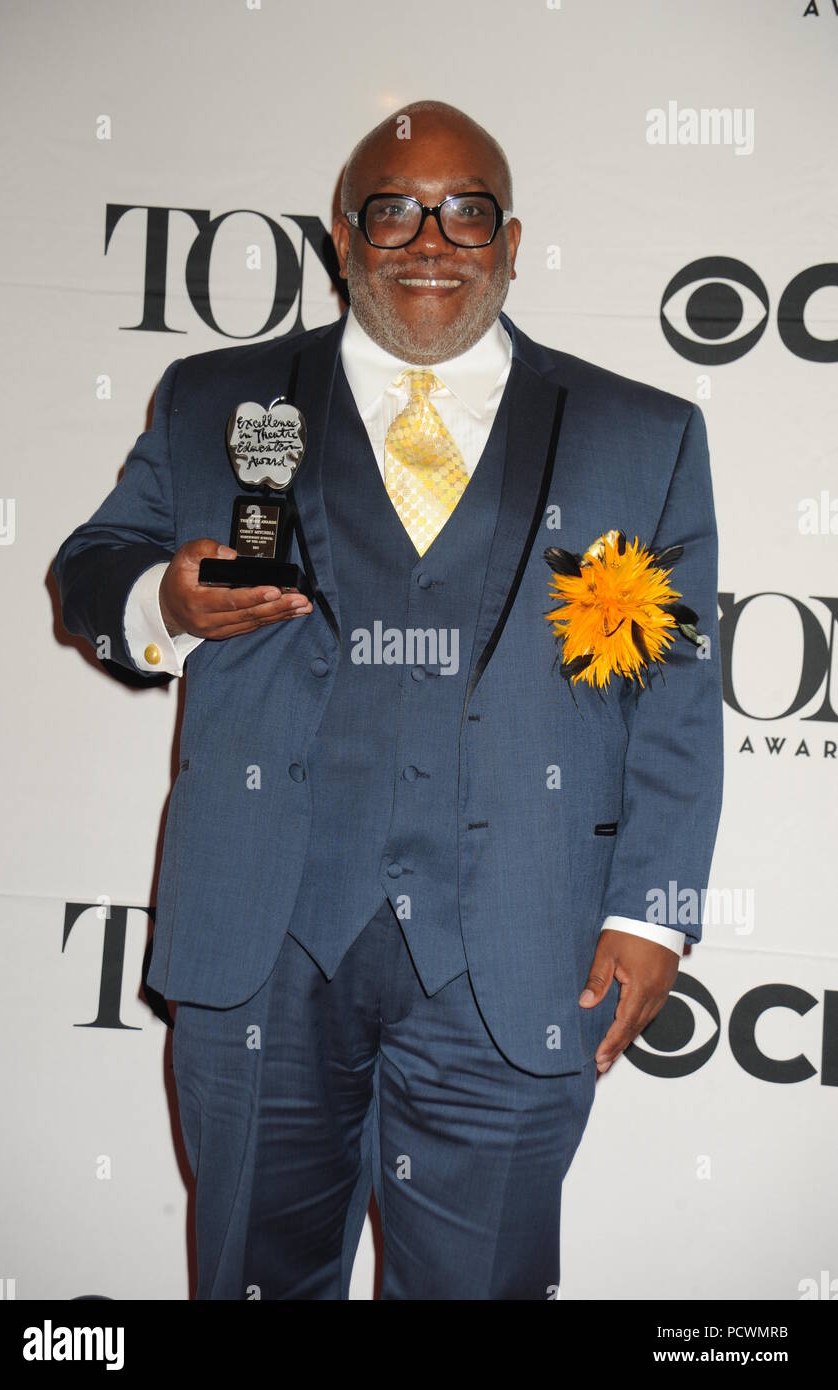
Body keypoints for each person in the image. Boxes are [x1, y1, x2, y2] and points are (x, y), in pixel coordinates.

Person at [53, 100, 723, 1300]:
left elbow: (675, 701)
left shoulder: (643, 433)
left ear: (511, 241)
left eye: (466, 211)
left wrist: (654, 915)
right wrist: (163, 599)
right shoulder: (214, 397)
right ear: (340, 234)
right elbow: (92, 569)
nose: (430, 238)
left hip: (519, 957)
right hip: (259, 941)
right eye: (394, 209)